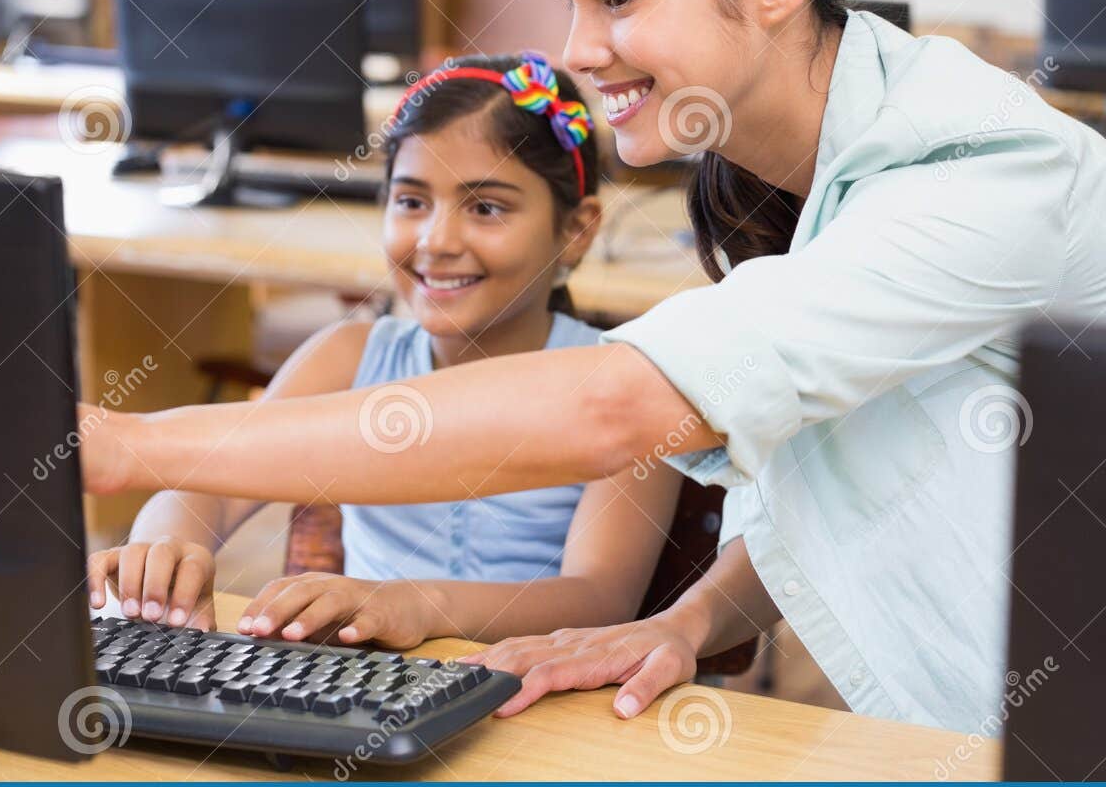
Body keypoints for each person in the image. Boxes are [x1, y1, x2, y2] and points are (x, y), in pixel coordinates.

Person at [80, 0, 1106, 733]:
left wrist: (137, 442)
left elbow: (614, 407)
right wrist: (693, 616)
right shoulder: (806, 166)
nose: (578, 45)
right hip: (1103, 688)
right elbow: (844, 443)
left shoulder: (972, 174)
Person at [87, 53, 681, 650]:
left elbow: (602, 597)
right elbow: (204, 483)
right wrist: (169, 543)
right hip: (370, 693)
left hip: (545, 694)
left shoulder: (626, 386)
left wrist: (416, 605)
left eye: (486, 207)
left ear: (576, 232)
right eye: (411, 201)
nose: (436, 241)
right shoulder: (348, 358)